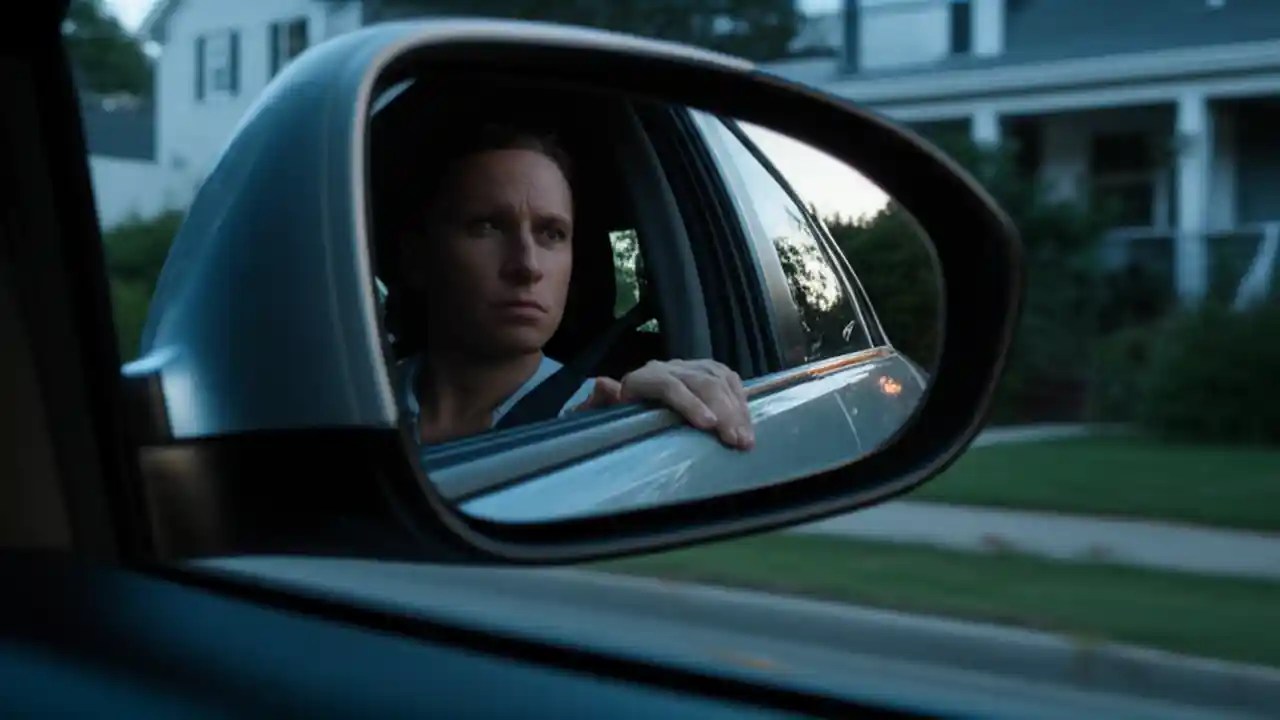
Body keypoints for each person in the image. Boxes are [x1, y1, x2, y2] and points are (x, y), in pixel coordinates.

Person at [389, 121, 755, 450]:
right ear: (417, 259)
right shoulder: (355, 398)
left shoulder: (600, 413)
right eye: (487, 226)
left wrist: (659, 412)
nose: (527, 266)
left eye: (552, 233)